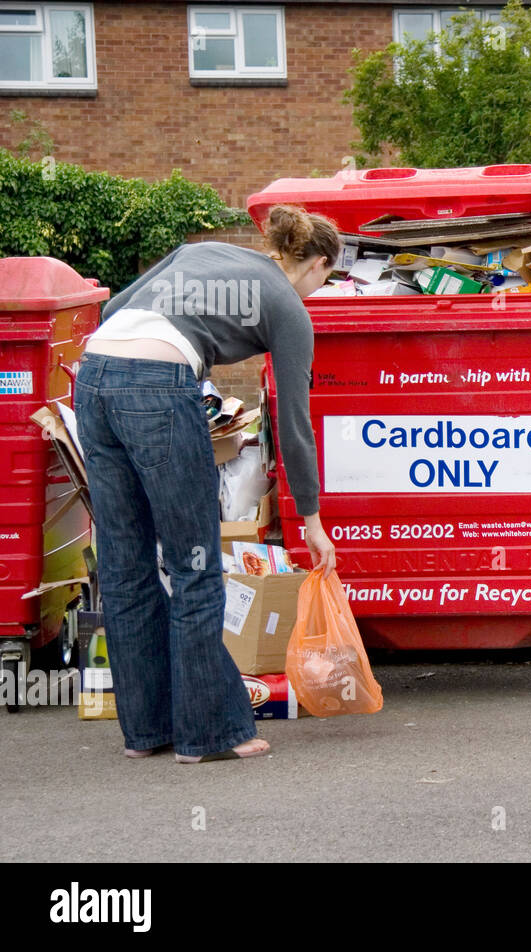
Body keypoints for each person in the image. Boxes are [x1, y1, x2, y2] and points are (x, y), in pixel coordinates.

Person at [75, 205, 340, 764]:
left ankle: (145, 733)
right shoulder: (289, 308)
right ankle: (211, 735)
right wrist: (312, 520)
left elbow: (116, 308)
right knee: (195, 564)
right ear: (318, 264)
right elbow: (293, 425)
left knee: (125, 569)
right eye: (327, 278)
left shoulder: (199, 254)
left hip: (95, 378)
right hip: (156, 388)